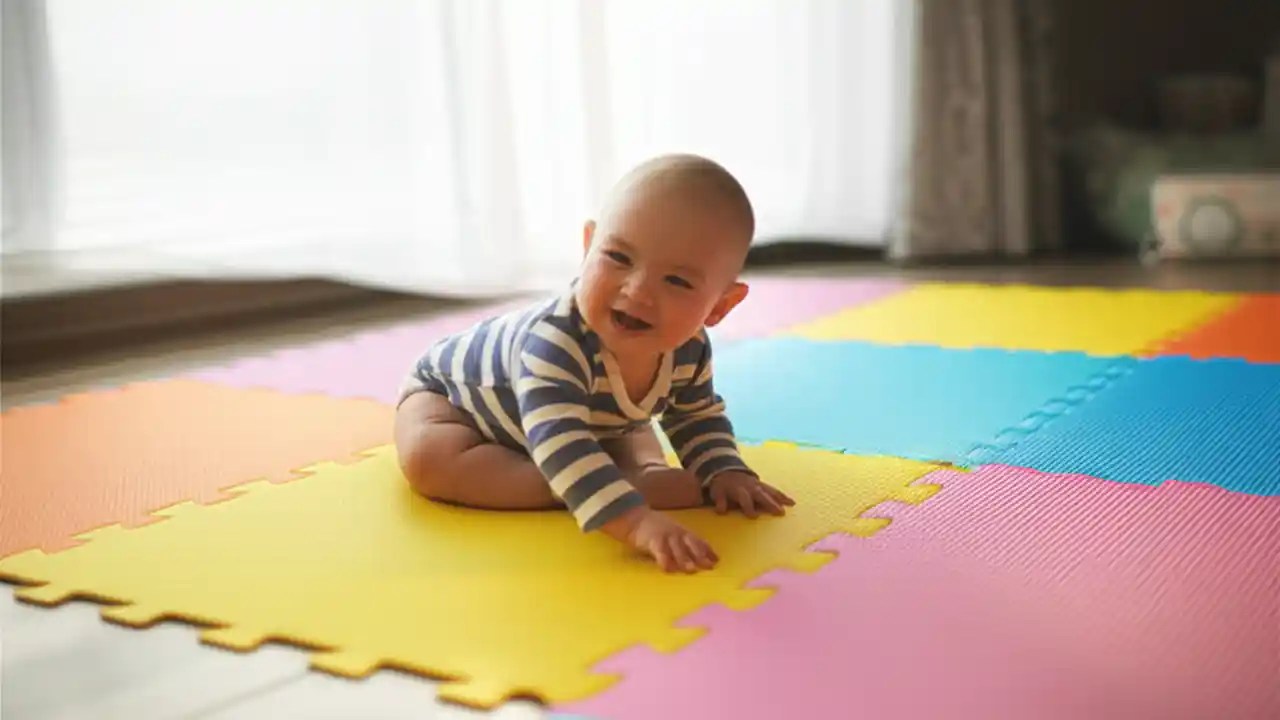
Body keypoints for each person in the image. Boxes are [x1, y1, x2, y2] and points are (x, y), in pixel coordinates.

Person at [394, 153, 794, 573]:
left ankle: (618, 474)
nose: (637, 291)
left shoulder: (688, 349)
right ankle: (583, 485)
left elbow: (695, 416)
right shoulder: (556, 343)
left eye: (677, 281)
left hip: (584, 419)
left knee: (629, 427)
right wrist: (636, 520)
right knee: (429, 459)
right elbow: (560, 439)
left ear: (720, 306)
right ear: (588, 247)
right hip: (454, 403)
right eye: (618, 258)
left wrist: (725, 471)